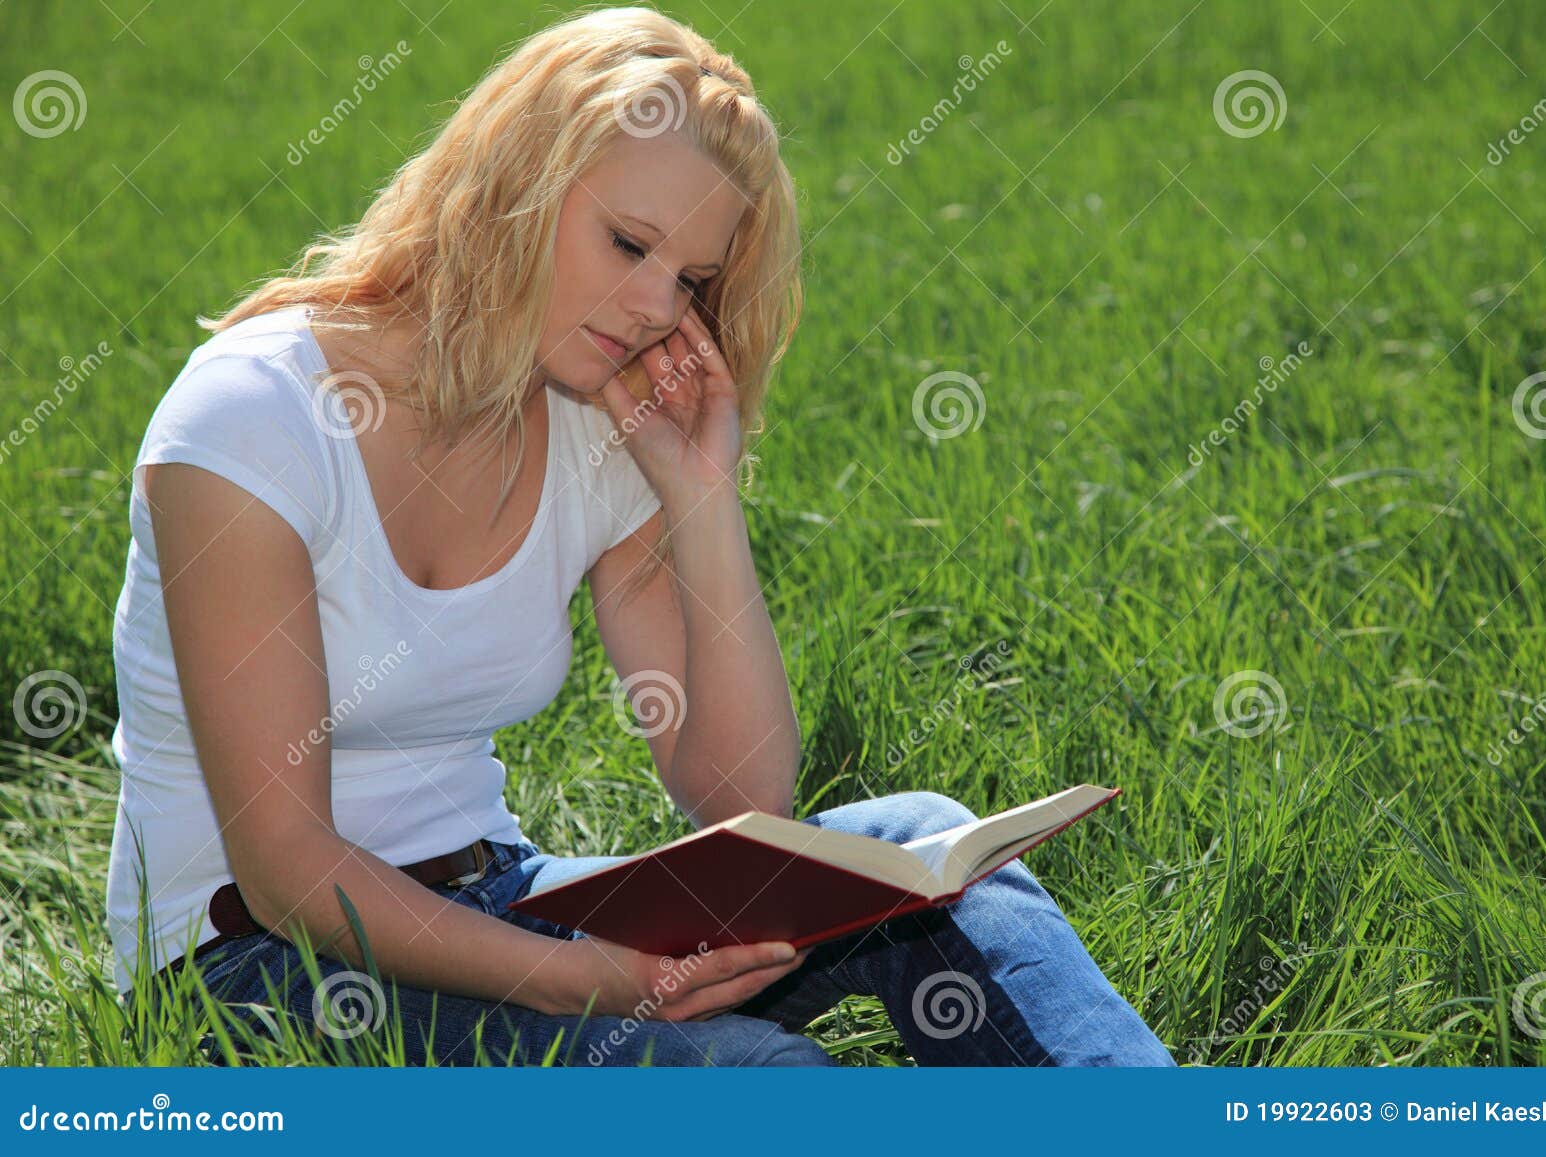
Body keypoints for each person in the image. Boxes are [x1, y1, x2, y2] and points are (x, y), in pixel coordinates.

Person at [106, 5, 1173, 1067]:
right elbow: (288, 865)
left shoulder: (584, 420)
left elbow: (739, 797)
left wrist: (699, 493)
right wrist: (593, 984)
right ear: (515, 180)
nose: (659, 306)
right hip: (248, 970)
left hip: (507, 895)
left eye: (691, 280)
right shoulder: (253, 420)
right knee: (755, 1079)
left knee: (935, 857)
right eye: (629, 243)